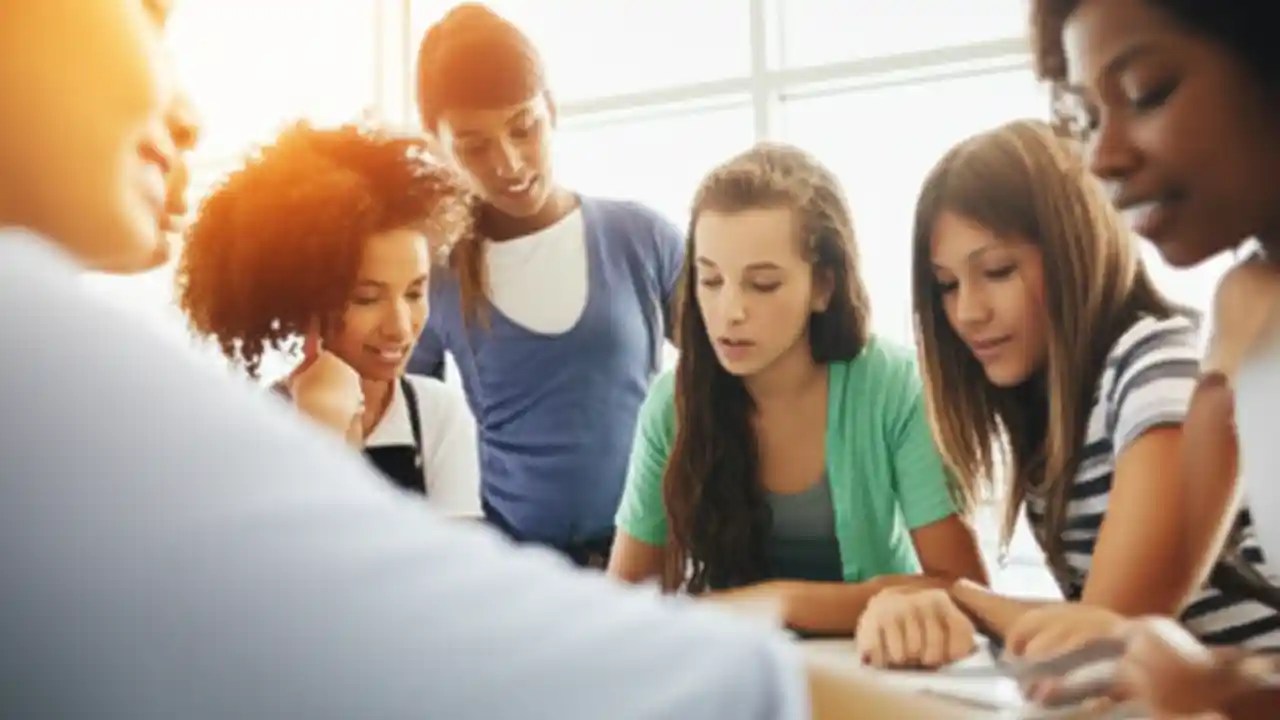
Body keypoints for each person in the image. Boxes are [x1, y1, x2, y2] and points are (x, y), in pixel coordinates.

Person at [0, 2, 974, 717]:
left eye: (760, 284)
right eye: (151, 15)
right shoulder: (80, 386)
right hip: (561, 592)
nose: (186, 118)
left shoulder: (650, 258)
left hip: (606, 605)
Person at [855, 119, 1279, 671]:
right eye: (948, 285)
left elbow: (1104, 632)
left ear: (1071, 252)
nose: (967, 312)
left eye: (997, 271)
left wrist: (956, 595)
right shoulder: (1052, 414)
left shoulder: (1156, 365)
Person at [607, 143, 987, 643]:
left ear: (822, 286)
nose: (729, 311)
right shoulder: (669, 405)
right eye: (711, 280)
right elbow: (624, 604)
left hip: (873, 668)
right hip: (738, 673)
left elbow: (964, 590)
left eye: (762, 284)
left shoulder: (891, 385)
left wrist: (783, 602)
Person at [1028, 0, 1280, 715]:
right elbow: (1152, 595)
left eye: (1147, 93)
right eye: (1087, 118)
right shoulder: (1245, 308)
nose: (1103, 157)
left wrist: (1234, 686)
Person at [408, 3, 684, 565]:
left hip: (653, 564)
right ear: (436, 144)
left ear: (551, 110)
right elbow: (409, 432)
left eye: (523, 128)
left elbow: (735, 381)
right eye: (474, 145)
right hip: (519, 576)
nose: (508, 163)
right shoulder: (432, 279)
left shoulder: (641, 237)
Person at [176, 122, 482, 512]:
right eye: (367, 298)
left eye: (415, 293)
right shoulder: (254, 427)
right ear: (306, 297)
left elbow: (452, 570)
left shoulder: (436, 414)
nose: (401, 327)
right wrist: (322, 434)